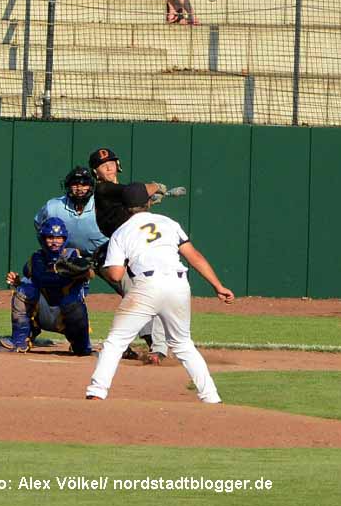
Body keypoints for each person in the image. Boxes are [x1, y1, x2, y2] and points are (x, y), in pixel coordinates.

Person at [85, 185, 234, 402]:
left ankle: (97, 392)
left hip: (147, 286)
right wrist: (218, 286)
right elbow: (194, 256)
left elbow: (116, 275)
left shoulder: (122, 231)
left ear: (125, 208)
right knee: (183, 344)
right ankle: (211, 396)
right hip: (178, 284)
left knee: (116, 342)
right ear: (148, 203)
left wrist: (103, 265)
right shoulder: (169, 223)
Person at [90, 147, 169, 365]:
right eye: (102, 164)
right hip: (118, 253)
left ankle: (152, 347)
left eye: (111, 162)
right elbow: (138, 190)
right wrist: (157, 187)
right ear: (96, 172)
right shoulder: (104, 189)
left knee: (143, 295)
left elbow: (134, 203)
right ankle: (150, 345)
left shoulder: (118, 192)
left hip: (134, 251)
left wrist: (147, 203)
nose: (108, 166)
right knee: (141, 296)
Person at [0, 217, 94, 356]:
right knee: (23, 291)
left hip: (66, 314)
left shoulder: (73, 255)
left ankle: (82, 345)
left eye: (59, 237)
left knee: (72, 302)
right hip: (42, 312)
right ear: (43, 238)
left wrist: (84, 272)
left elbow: (89, 275)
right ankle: (20, 341)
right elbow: (39, 278)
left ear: (65, 239)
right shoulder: (36, 258)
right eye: (50, 237)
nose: (54, 242)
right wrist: (19, 283)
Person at [34, 166, 107, 257]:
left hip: (102, 259)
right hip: (65, 259)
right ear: (68, 186)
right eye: (75, 184)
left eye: (84, 184)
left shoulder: (104, 206)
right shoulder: (53, 207)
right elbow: (39, 225)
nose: (79, 189)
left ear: (91, 186)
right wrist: (52, 251)